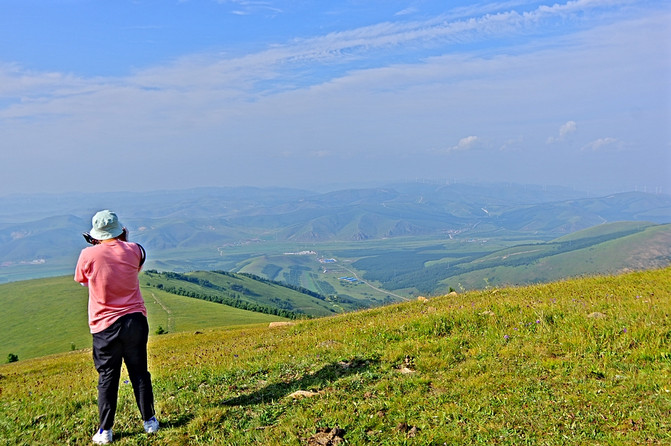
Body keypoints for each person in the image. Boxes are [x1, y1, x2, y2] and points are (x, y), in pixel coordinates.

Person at [75, 210, 159, 444]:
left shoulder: (87, 254)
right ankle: (149, 421)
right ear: (121, 230)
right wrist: (122, 240)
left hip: (104, 324)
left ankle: (105, 430)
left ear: (95, 235)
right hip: (135, 319)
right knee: (139, 371)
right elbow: (135, 264)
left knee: (108, 377)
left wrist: (97, 247)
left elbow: (82, 279)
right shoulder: (135, 250)